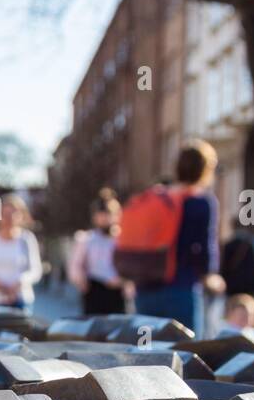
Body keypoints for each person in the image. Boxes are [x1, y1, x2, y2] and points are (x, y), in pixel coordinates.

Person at [133, 141, 225, 335]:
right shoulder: (202, 202)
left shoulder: (156, 199)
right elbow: (205, 246)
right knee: (184, 355)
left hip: (145, 290)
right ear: (205, 171)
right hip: (181, 289)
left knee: (146, 352)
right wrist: (211, 276)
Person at [67, 187, 127, 315]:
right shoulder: (86, 239)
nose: (105, 218)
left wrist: (125, 282)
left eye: (109, 213)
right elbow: (75, 265)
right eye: (101, 214)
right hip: (95, 289)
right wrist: (80, 279)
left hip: (117, 290)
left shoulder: (123, 239)